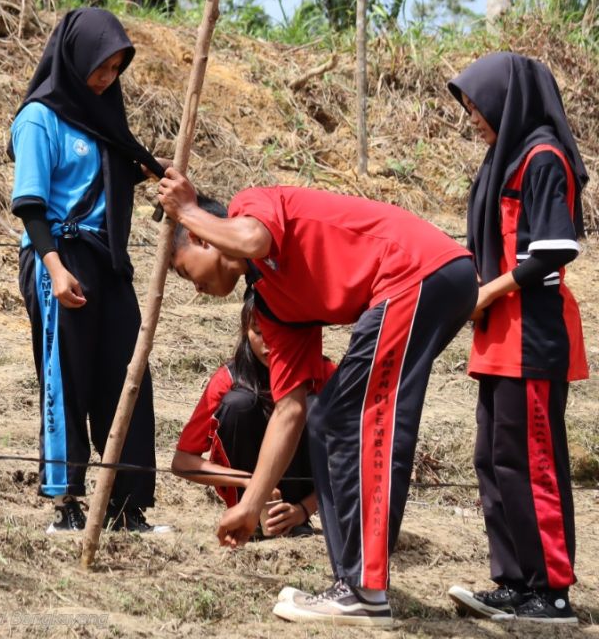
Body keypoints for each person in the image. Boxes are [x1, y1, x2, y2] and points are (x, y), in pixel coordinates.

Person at [157, 172, 477, 627]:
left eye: (184, 270)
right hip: (424, 283)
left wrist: (186, 210)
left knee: (354, 418)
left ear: (204, 240)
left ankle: (363, 590)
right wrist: (251, 505)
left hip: (418, 272)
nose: (194, 286)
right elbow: (291, 411)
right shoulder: (273, 305)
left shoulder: (251, 203)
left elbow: (249, 237)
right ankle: (355, 585)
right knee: (327, 418)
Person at [444, 53, 588, 626]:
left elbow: (554, 252)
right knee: (495, 459)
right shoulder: (501, 161)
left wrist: (484, 292)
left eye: (479, 108)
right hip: (498, 337)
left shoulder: (543, 157)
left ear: (509, 102)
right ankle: (514, 582)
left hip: (533, 337)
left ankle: (551, 592)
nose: (473, 118)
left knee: (534, 465)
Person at [10, 8, 167, 533]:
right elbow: (32, 204)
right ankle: (67, 503)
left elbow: (109, 178)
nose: (107, 79)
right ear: (76, 59)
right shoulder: (39, 119)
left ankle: (127, 505)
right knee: (67, 377)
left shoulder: (104, 120)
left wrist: (148, 172)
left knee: (126, 376)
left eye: (117, 69)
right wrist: (53, 268)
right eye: (101, 67)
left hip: (108, 261)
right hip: (61, 257)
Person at [172, 290, 321, 539]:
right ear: (245, 331)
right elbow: (182, 461)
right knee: (240, 403)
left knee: (315, 406)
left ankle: (293, 521)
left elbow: (354, 462)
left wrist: (303, 510)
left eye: (277, 333)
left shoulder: (322, 375)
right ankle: (248, 515)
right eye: (258, 332)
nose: (269, 343)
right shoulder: (227, 379)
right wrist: (250, 484)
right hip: (243, 496)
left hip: (300, 504)